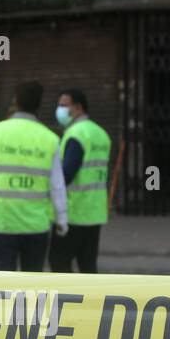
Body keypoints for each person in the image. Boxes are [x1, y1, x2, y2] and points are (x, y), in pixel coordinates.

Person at [0, 81, 67, 272]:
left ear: (15, 102)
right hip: (36, 225)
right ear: (39, 104)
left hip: (1, 223)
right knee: (31, 286)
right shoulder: (50, 139)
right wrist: (61, 219)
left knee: (3, 286)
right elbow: (57, 185)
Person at [49, 88, 110, 273]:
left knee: (59, 261)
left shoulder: (76, 134)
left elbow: (66, 175)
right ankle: (90, 301)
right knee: (88, 265)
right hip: (95, 212)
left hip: (74, 212)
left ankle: (67, 300)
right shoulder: (101, 134)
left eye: (63, 105)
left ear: (78, 108)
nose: (59, 110)